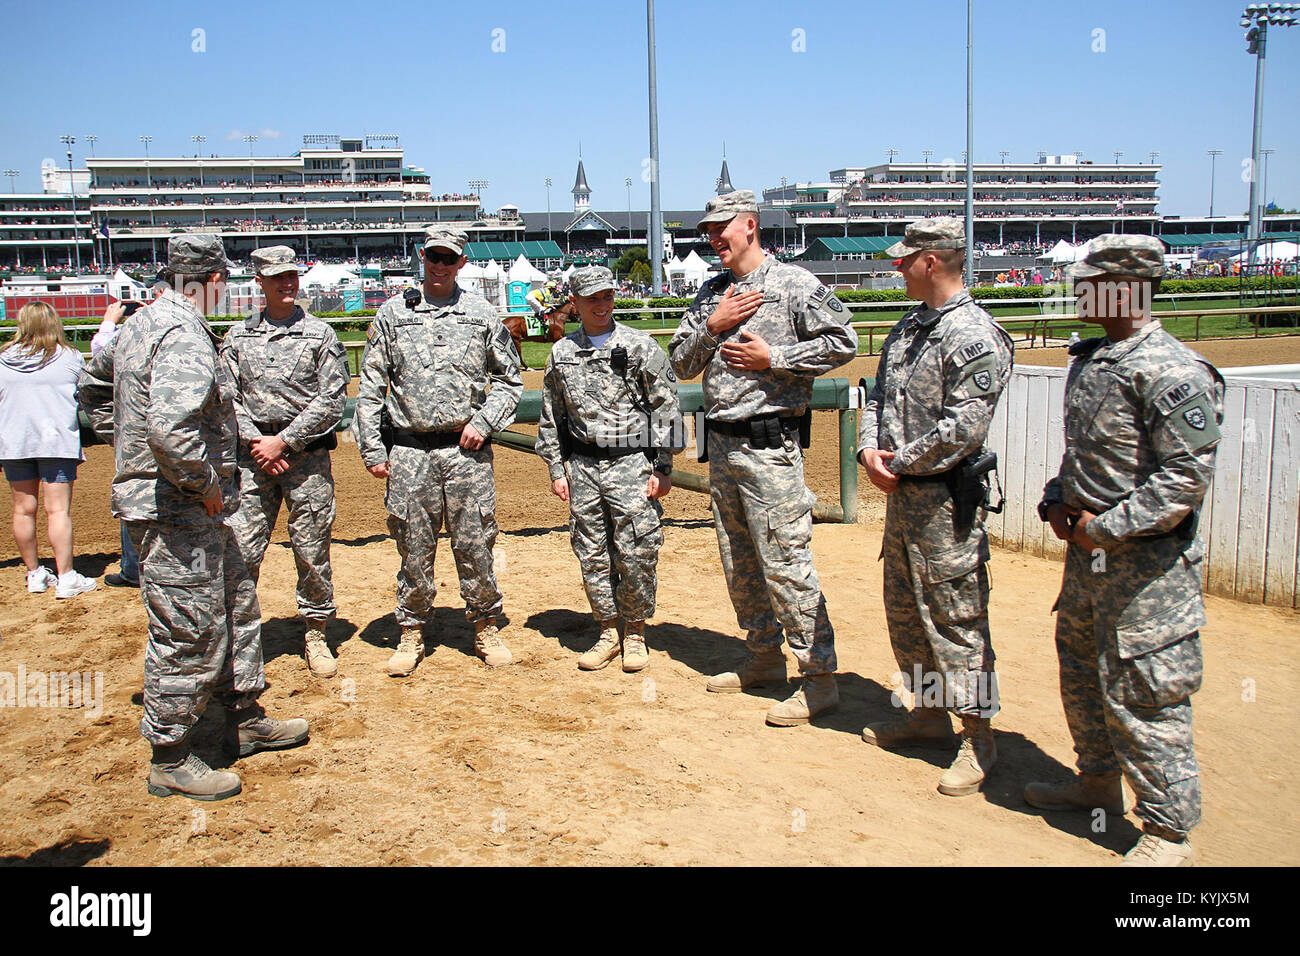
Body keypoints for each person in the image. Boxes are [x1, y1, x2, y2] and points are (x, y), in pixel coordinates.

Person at [79, 234, 309, 802]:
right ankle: (171, 755)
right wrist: (202, 482)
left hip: (176, 505)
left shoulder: (137, 325)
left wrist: (122, 444)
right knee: (188, 628)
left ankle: (244, 716)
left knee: (236, 601)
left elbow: (93, 381)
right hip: (177, 508)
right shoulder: (182, 332)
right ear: (208, 280)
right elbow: (170, 430)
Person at [1027, 234, 1223, 867]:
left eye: (1088, 280)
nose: (1076, 290)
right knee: (1082, 670)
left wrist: (1104, 529)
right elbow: (1083, 453)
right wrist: (1058, 499)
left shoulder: (1174, 370)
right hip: (1088, 560)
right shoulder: (1093, 360)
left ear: (1125, 287)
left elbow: (1184, 480)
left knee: (1145, 690)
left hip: (1146, 570)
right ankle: (1096, 783)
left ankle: (1168, 833)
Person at [668, 190, 858, 726]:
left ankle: (818, 678)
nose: (712, 238)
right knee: (741, 561)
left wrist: (776, 357)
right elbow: (680, 365)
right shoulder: (712, 292)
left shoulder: (794, 283)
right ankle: (762, 658)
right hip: (722, 444)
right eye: (707, 230)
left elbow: (843, 342)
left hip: (771, 447)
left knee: (785, 561)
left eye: (720, 228)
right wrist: (714, 324)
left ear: (749, 225)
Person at [857, 217, 1014, 797]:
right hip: (903, 504)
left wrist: (896, 464)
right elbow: (875, 397)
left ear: (931, 262)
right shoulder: (908, 327)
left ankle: (979, 737)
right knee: (906, 612)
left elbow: (963, 429)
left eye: (905, 260)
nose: (896, 267)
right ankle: (927, 715)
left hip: (946, 504)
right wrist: (868, 448)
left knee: (959, 621)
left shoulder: (973, 336)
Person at [354, 225, 522, 676]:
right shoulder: (392, 315)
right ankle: (411, 631)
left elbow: (510, 381)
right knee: (413, 544)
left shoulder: (481, 314)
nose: (440, 265)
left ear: (462, 263)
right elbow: (370, 387)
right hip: (409, 453)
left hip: (465, 453)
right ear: (420, 255)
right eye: (433, 256)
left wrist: (484, 423)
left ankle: (485, 624)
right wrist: (372, 449)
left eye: (449, 258)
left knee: (476, 543)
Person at [536, 266, 683, 672]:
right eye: (591, 299)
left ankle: (635, 632)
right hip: (583, 466)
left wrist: (664, 467)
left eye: (606, 297)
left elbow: (666, 408)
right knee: (591, 552)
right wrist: (555, 467)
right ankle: (607, 630)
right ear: (576, 302)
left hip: (631, 464)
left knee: (637, 549)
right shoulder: (562, 353)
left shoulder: (641, 346)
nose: (601, 305)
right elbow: (551, 416)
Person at [221, 246, 348, 678]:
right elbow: (226, 399)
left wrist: (286, 441)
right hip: (253, 459)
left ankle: (315, 632)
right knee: (241, 552)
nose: (287, 284)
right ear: (259, 281)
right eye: (277, 278)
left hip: (306, 458)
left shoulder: (320, 335)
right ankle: (239, 637)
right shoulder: (238, 338)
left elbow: (332, 399)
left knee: (312, 551)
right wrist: (259, 441)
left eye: (292, 276)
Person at [0, 302, 96, 598]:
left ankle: (34, 574)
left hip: (14, 442)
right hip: (56, 443)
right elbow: (87, 394)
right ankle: (66, 576)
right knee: (58, 511)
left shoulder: (3, 359)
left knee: (23, 511)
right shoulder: (69, 358)